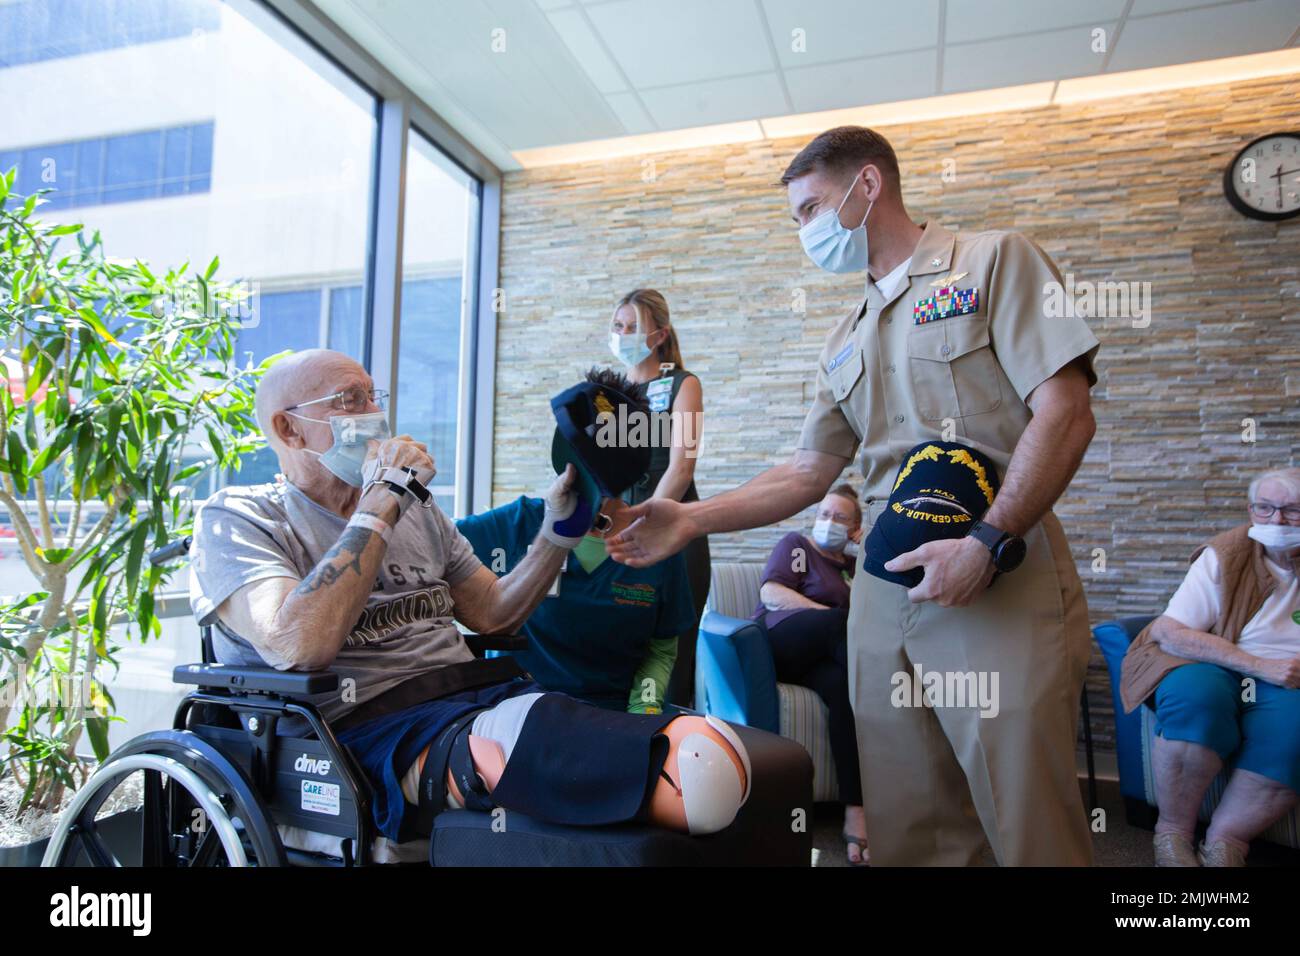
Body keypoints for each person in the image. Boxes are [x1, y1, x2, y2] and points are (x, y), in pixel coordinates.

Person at [608, 125, 1101, 866]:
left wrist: (989, 541)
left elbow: (1066, 410)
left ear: (868, 186)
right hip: (882, 596)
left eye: (809, 208)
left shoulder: (995, 261)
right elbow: (807, 474)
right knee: (912, 819)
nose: (803, 230)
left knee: (1025, 814)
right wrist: (690, 518)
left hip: (992, 572)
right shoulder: (843, 336)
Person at [187, 348, 750, 845]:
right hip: (362, 729)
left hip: (475, 698)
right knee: (699, 776)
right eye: (348, 400)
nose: (372, 414)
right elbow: (297, 643)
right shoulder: (239, 516)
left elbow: (491, 611)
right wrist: (381, 501)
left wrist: (559, 531)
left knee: (724, 760)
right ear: (288, 430)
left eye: (372, 396)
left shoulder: (421, 511)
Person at [456, 368, 695, 715]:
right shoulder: (518, 524)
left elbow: (660, 649)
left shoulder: (655, 544)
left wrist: (644, 710)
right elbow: (435, 547)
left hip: (612, 716)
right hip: (516, 712)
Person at [1121, 467, 1300, 867]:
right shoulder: (1226, 555)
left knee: (1294, 732)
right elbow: (1171, 632)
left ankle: (1226, 841)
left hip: (1290, 678)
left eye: (1292, 511)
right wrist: (1259, 666)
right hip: (1213, 660)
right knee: (1196, 697)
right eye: (1265, 508)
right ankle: (1172, 834)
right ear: (1250, 510)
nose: (1277, 520)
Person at [752, 484, 866, 863]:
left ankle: (856, 808)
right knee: (840, 626)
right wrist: (827, 616)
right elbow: (771, 593)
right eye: (824, 514)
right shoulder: (796, 546)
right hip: (778, 643)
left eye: (839, 518)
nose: (828, 522)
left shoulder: (854, 567)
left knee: (842, 690)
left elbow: (877, 611)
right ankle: (885, 700)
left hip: (823, 659)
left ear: (854, 529)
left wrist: (867, 553)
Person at [608, 289, 710, 707]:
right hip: (618, 537)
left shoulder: (682, 385)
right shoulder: (606, 392)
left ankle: (668, 755)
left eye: (633, 328)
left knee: (668, 659)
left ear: (660, 336)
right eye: (617, 326)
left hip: (673, 532)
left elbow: (681, 467)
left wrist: (644, 523)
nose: (622, 334)